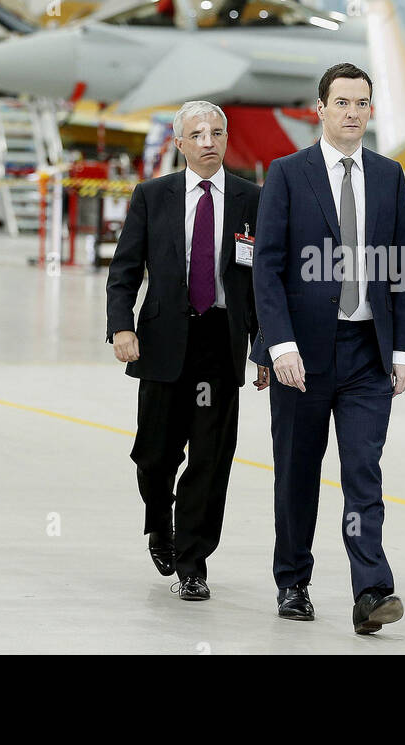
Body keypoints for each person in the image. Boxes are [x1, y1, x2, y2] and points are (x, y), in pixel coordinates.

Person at [250, 62, 405, 635]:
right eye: (341, 102)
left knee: (363, 471)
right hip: (303, 355)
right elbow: (266, 269)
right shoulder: (288, 174)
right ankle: (293, 581)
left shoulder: (390, 175)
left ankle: (372, 590)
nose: (352, 113)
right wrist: (279, 345)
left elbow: (400, 267)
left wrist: (402, 349)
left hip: (369, 352)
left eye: (362, 103)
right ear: (320, 109)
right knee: (298, 472)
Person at [105, 100, 265, 600]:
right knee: (154, 455)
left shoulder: (250, 199)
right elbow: (125, 269)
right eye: (197, 134)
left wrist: (264, 343)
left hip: (220, 341)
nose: (209, 142)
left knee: (211, 457)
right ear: (180, 144)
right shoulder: (153, 196)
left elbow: (264, 280)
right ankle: (160, 522)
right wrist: (121, 328)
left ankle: (193, 560)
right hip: (163, 341)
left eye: (217, 132)